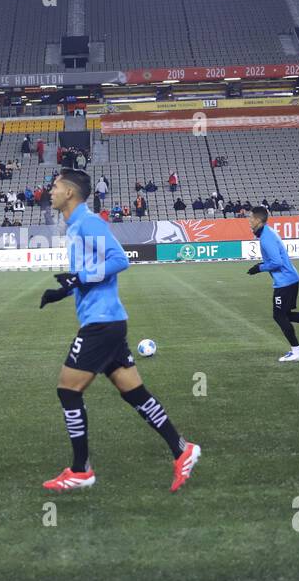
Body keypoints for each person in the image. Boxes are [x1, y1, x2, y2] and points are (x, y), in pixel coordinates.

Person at [37, 169, 201, 493]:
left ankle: (81, 470)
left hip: (102, 324)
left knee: (68, 390)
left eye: (55, 186)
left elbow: (120, 260)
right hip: (106, 320)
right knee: (134, 392)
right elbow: (89, 273)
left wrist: (78, 279)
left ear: (70, 193)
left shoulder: (88, 223)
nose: (50, 191)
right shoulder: (75, 226)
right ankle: (182, 450)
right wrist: (66, 290)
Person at [247, 207, 299, 362]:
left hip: (285, 282)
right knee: (285, 314)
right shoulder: (268, 232)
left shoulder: (266, 237)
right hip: (290, 279)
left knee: (279, 316)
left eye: (251, 218)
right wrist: (262, 265)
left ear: (258, 220)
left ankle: (297, 351)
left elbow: (277, 262)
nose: (249, 220)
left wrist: (259, 268)